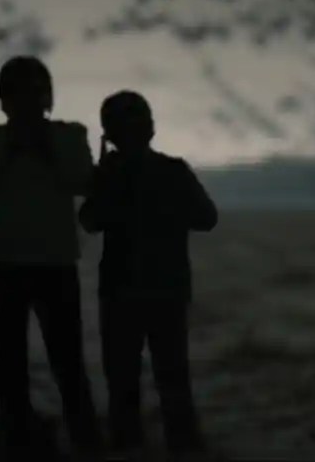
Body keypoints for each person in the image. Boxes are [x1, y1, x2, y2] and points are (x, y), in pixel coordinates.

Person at [0, 55, 102, 462]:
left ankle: (77, 434)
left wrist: (39, 149)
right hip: (20, 264)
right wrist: (8, 150)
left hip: (39, 263)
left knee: (63, 360)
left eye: (32, 95)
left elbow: (83, 181)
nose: (25, 104)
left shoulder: (67, 137)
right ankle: (27, 432)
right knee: (15, 364)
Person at [79, 90, 218, 462]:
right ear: (151, 128)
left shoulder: (111, 174)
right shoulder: (173, 170)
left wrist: (106, 178)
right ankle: (183, 443)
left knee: (122, 377)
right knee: (172, 374)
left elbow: (89, 221)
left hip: (120, 290)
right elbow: (207, 218)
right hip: (167, 288)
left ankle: (127, 442)